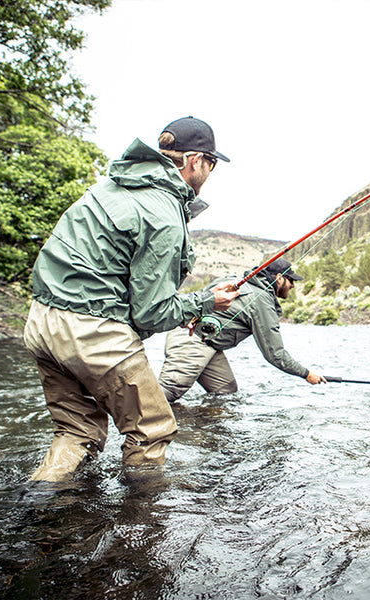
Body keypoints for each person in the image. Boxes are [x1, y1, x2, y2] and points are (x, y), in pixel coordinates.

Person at [23, 116, 240, 482]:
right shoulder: (163, 212)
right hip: (91, 330)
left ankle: (38, 501)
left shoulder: (110, 187)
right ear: (194, 160)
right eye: (212, 163)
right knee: (152, 429)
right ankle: (139, 515)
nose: (210, 171)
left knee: (76, 432)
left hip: (41, 324)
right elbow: (151, 313)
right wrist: (205, 302)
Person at [158, 258, 327, 401]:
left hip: (208, 342)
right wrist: (306, 374)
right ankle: (146, 421)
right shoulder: (262, 301)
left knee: (226, 393)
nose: (293, 285)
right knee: (168, 391)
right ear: (279, 278)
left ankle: (200, 423)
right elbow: (275, 354)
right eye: (291, 280)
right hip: (191, 338)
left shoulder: (236, 281)